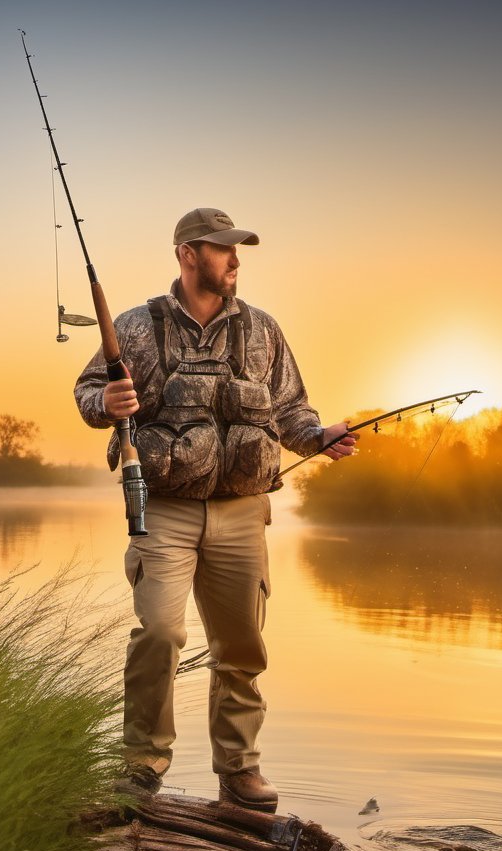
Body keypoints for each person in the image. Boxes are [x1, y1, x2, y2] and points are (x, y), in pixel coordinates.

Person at [75, 207, 356, 811]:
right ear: (187, 254)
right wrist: (107, 398)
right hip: (165, 510)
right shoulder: (138, 325)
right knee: (160, 631)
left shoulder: (263, 330)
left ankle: (239, 770)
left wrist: (320, 437)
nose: (234, 260)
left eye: (237, 250)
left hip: (242, 513)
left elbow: (291, 412)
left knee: (241, 647)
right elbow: (87, 392)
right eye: (223, 249)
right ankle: (142, 767)